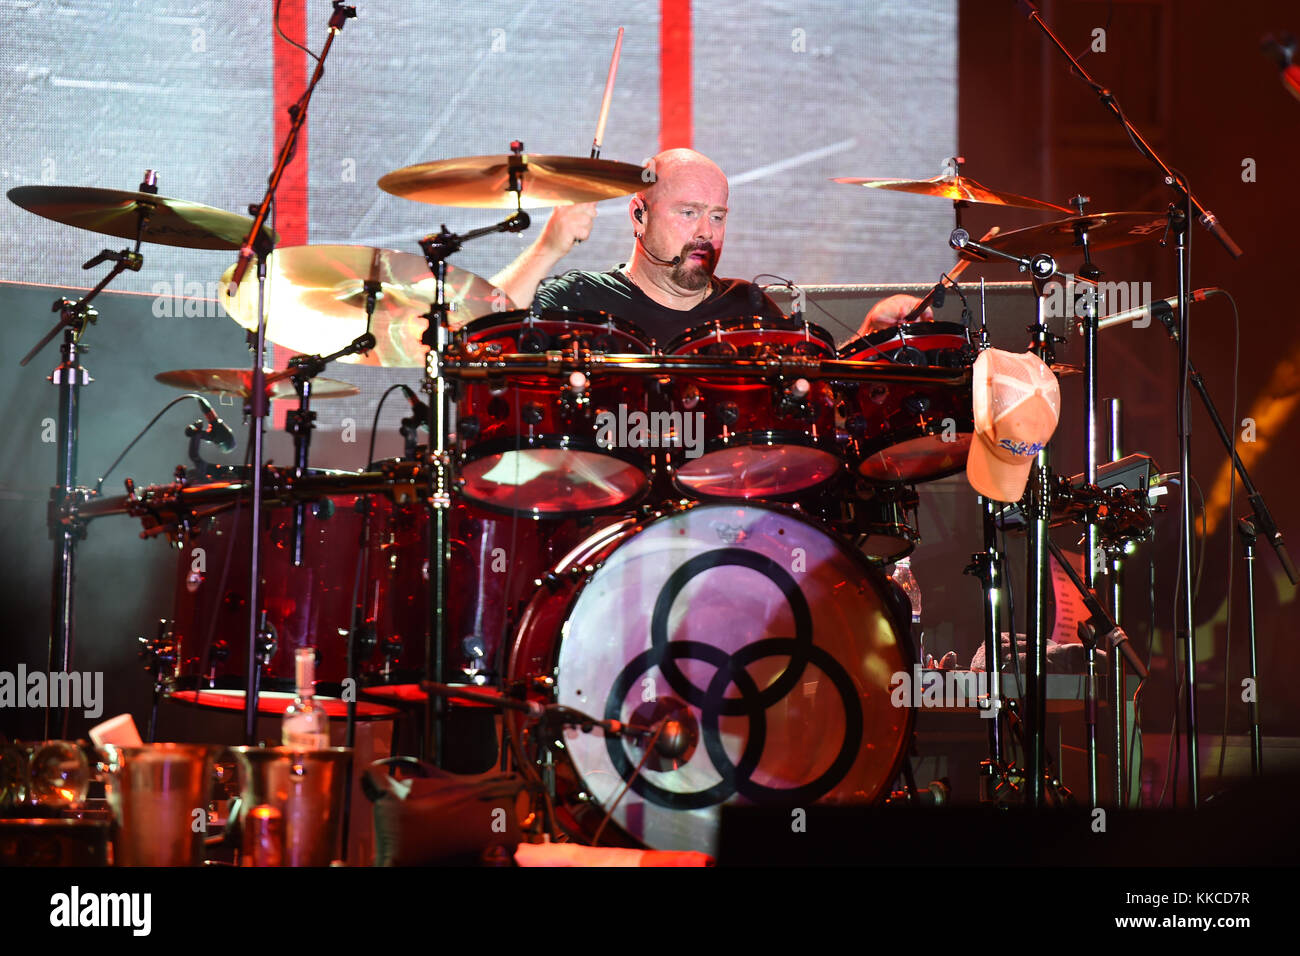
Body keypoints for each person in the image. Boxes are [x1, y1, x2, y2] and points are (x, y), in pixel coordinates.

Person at [491, 147, 925, 347]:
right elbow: (468, 329)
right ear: (638, 215)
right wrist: (548, 249)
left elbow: (822, 391)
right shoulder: (582, 298)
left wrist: (875, 336)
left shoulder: (747, 306)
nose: (706, 232)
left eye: (717, 216)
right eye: (688, 212)